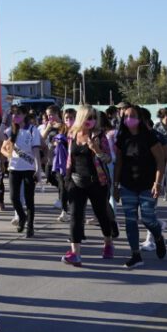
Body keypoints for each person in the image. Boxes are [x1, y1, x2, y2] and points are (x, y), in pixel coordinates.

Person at [114, 104, 167, 270]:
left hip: (147, 185)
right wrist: (115, 185)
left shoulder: (150, 136)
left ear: (140, 119)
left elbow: (161, 161)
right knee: (130, 221)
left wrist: (157, 183)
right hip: (127, 185)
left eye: (133, 116)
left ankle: (158, 237)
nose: (129, 119)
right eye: (126, 116)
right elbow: (119, 162)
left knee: (148, 218)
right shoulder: (122, 137)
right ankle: (135, 254)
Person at [61, 105, 115, 267]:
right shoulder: (72, 134)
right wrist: (67, 176)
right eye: (87, 117)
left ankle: (108, 243)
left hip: (97, 181)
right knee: (76, 216)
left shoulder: (99, 136)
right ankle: (75, 254)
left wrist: (96, 149)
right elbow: (70, 158)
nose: (90, 121)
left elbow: (108, 159)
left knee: (101, 214)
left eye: (93, 118)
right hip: (76, 181)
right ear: (81, 118)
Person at [0, 107, 40, 238]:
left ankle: (30, 227)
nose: (15, 116)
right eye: (13, 114)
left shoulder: (32, 130)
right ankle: (22, 217)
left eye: (18, 114)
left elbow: (35, 151)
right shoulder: (10, 130)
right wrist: (3, 121)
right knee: (13, 197)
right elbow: (1, 144)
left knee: (29, 200)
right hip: (14, 168)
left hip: (29, 168)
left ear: (24, 115)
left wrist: (38, 169)